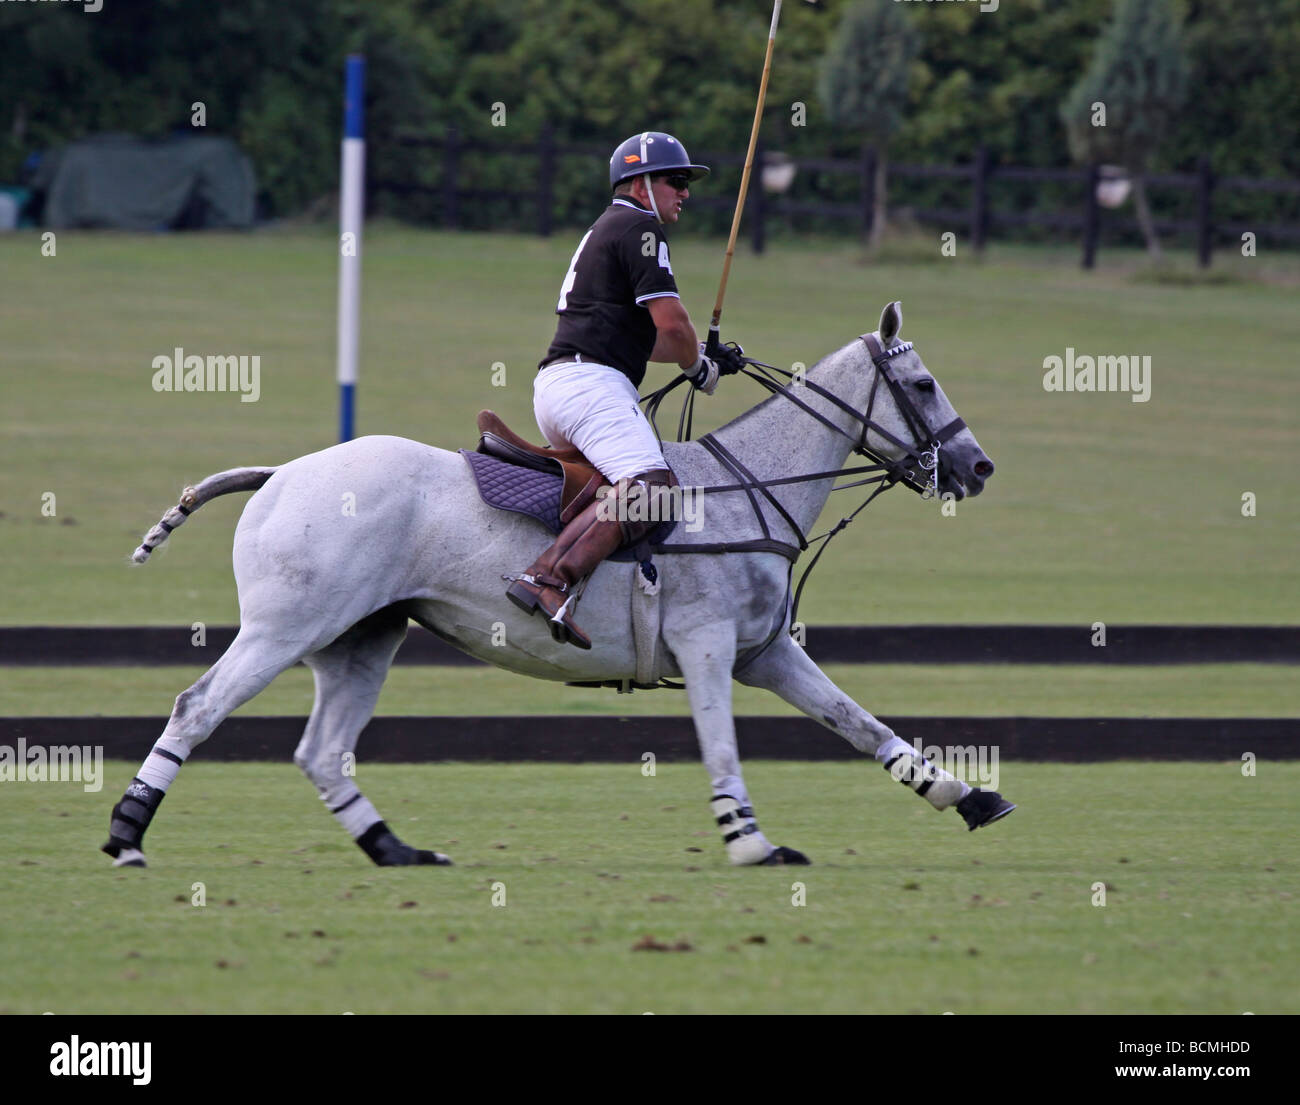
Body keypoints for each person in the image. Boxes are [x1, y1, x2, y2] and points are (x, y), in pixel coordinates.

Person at [505, 131, 742, 649]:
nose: (685, 192)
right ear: (639, 184)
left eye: (686, 183)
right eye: (675, 181)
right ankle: (548, 578)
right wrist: (698, 367)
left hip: (566, 383)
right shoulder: (640, 228)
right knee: (654, 490)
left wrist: (700, 354)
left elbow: (647, 342)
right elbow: (674, 327)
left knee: (632, 488)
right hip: (590, 385)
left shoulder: (611, 227)